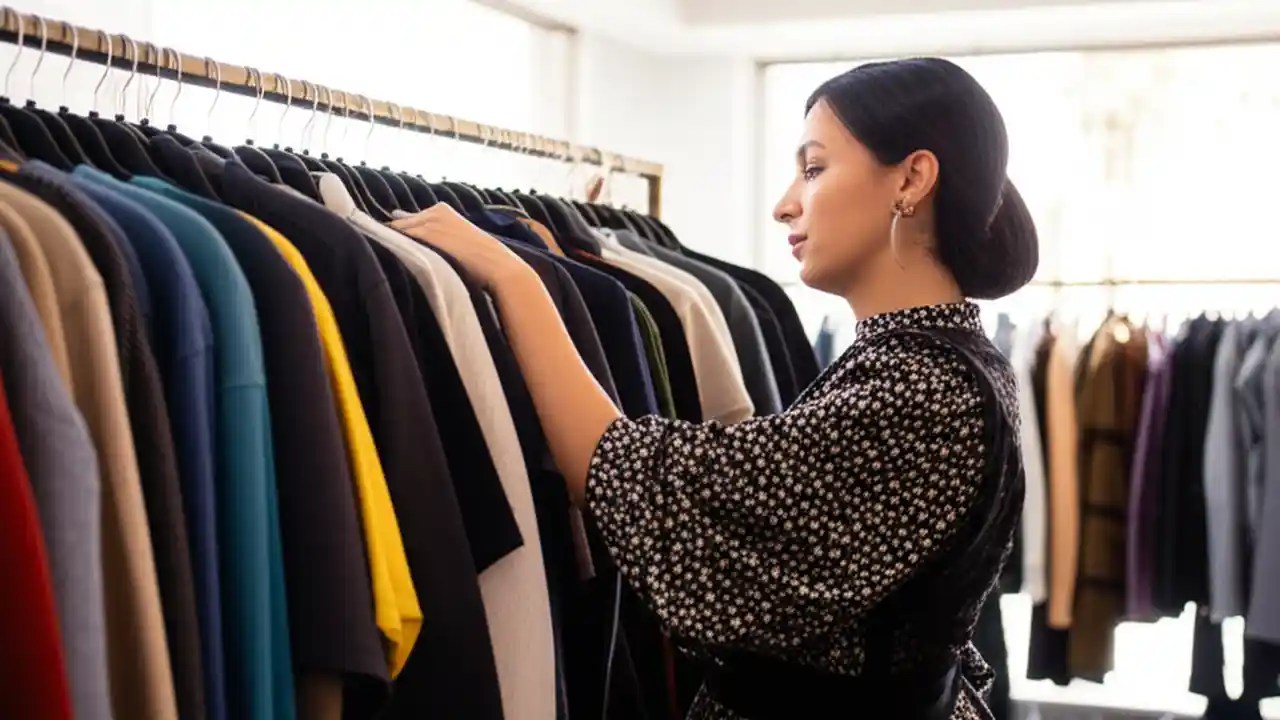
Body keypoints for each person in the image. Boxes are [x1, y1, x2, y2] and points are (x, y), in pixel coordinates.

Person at [394, 57, 1038, 719]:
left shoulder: (922, 391)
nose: (786, 203)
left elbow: (636, 477)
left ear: (912, 178)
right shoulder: (941, 362)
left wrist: (516, 280)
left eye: (814, 168)